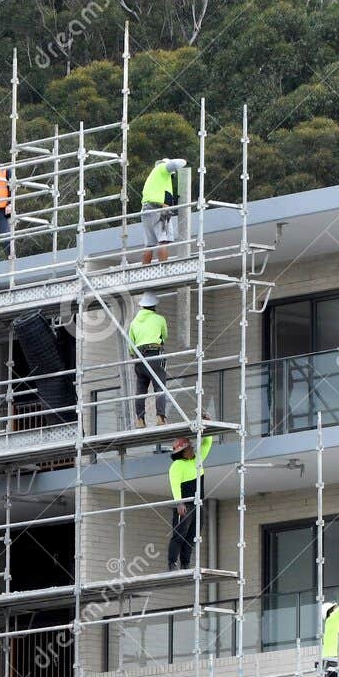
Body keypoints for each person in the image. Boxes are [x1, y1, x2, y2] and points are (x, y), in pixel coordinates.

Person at [166, 430, 213, 570]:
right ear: (183, 450)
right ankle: (172, 562)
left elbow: (207, 443)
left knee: (193, 536)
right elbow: (175, 485)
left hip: (198, 504)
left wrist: (207, 426)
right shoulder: (177, 466)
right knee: (179, 535)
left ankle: (185, 563)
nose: (193, 448)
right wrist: (179, 502)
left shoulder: (197, 460)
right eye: (190, 447)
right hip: (185, 505)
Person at [128, 291, 169, 428]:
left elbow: (130, 347)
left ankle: (140, 420)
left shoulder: (133, 323)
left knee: (140, 390)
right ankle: (160, 418)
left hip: (139, 358)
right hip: (155, 354)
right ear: (154, 307)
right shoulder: (160, 319)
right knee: (159, 387)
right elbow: (165, 336)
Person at [139, 157, 187, 264]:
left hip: (146, 208)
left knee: (149, 243)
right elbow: (177, 163)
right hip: (158, 208)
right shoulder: (162, 169)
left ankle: (144, 270)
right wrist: (185, 161)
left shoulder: (153, 177)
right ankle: (163, 269)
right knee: (163, 240)